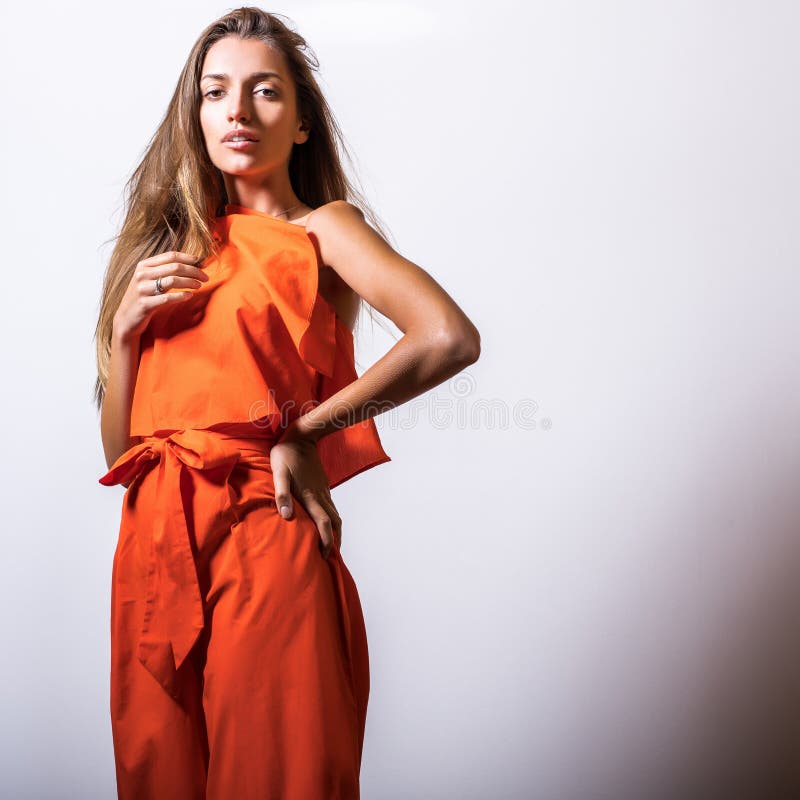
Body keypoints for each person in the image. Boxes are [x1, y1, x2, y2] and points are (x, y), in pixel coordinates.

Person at [93, 7, 481, 799]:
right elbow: (120, 459)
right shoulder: (163, 256)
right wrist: (126, 331)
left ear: (301, 122)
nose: (238, 111)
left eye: (265, 91)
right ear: (195, 114)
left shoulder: (323, 230)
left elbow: (446, 336)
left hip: (265, 539)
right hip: (153, 558)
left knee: (277, 778)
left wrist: (305, 431)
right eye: (216, 92)